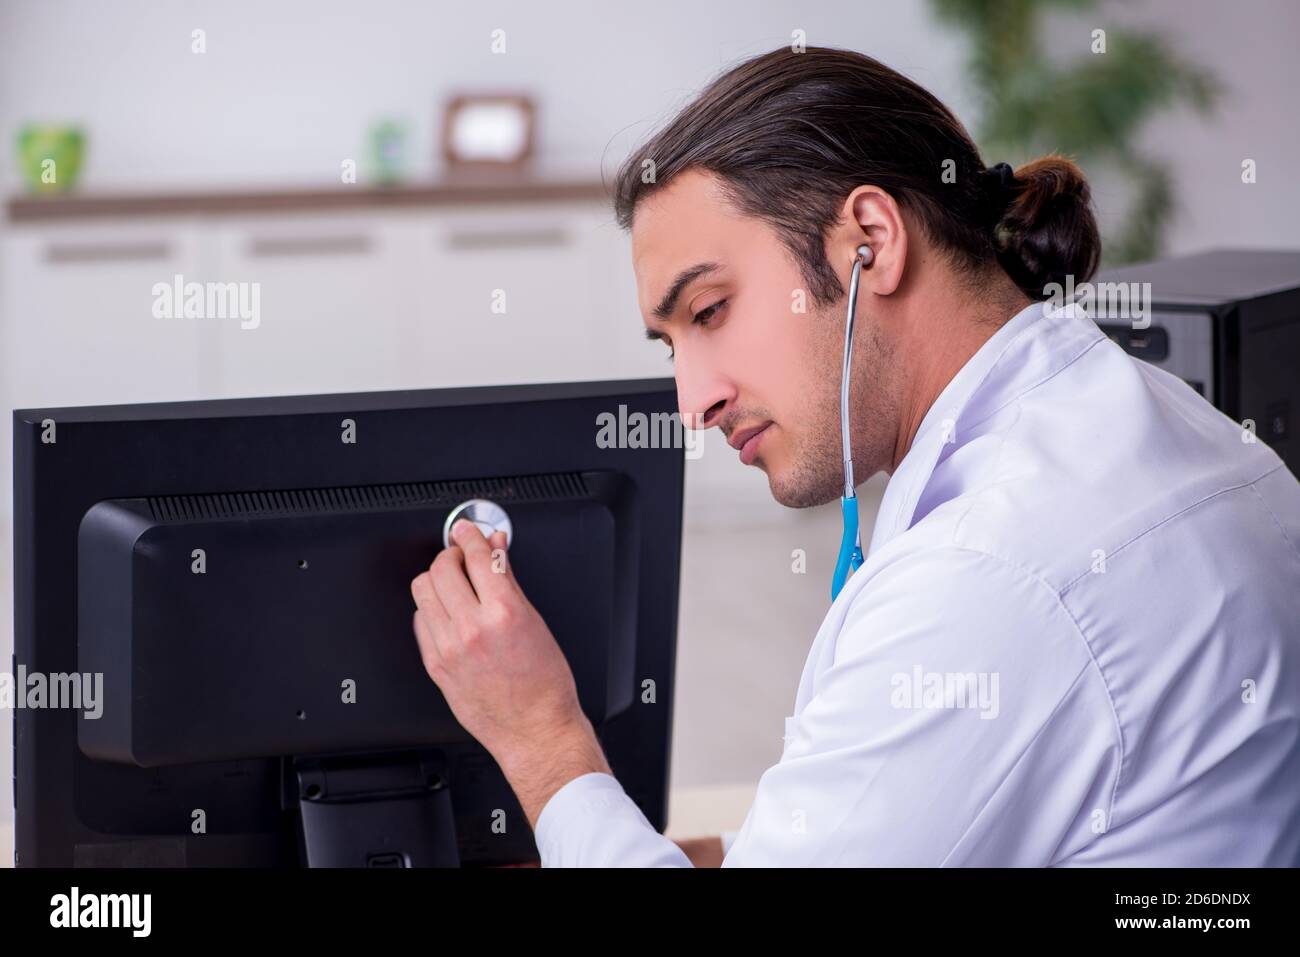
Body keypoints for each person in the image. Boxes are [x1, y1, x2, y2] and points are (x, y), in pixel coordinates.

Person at [409, 46, 1300, 866]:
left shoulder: (986, 576)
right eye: (669, 345)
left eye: (711, 310)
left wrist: (541, 739)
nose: (691, 402)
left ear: (869, 242)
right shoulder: (1175, 422)